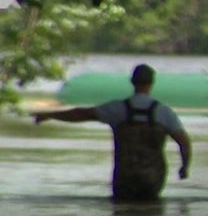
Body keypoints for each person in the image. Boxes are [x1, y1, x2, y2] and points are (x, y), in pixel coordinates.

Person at [33, 64, 192, 201]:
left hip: (124, 177)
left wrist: (50, 114)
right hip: (152, 179)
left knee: (121, 213)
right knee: (149, 213)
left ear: (132, 82)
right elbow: (183, 142)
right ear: (152, 83)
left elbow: (81, 114)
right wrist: (184, 167)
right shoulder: (164, 112)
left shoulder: (117, 109)